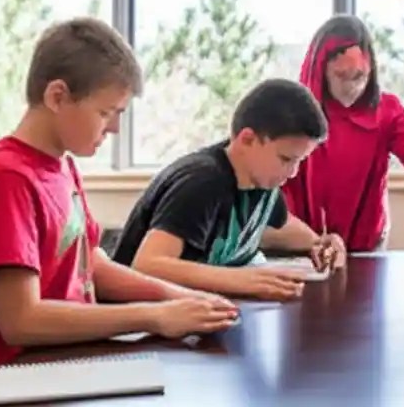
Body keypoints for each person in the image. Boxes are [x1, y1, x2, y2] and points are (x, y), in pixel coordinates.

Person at [0, 18, 238, 384]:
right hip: (8, 379)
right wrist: (152, 316)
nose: (114, 128)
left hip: (63, 361)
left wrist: (176, 297)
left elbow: (90, 263)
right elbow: (21, 321)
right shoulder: (5, 179)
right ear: (57, 97)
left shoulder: (62, 166)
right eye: (105, 112)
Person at [113, 78, 346, 301]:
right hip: (134, 324)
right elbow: (147, 264)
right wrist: (243, 281)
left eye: (299, 161)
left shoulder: (262, 181)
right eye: (286, 159)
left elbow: (282, 226)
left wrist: (320, 243)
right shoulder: (202, 182)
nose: (293, 172)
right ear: (247, 140)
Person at [281, 15, 404, 262]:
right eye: (341, 76)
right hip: (302, 242)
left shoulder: (387, 111)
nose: (352, 87)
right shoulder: (295, 110)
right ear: (322, 70)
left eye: (359, 77)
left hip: (366, 245)